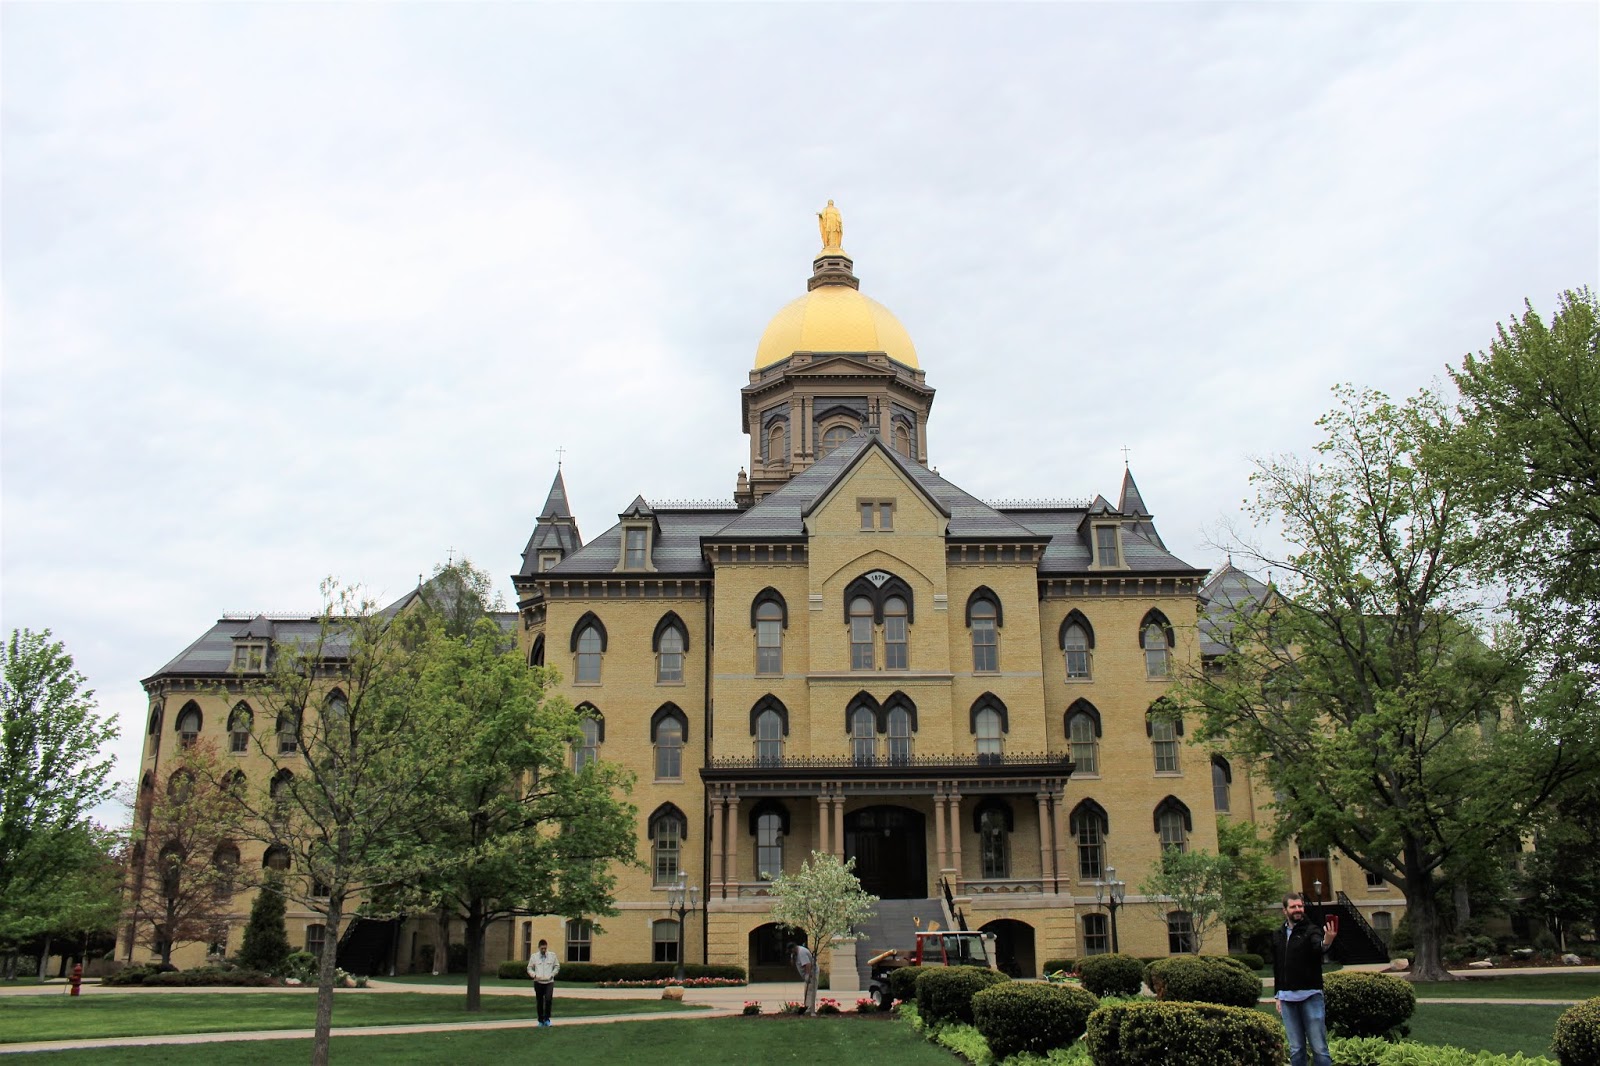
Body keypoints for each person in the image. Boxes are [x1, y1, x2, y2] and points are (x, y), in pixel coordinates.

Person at [1272, 891, 1337, 1066]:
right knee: (1296, 1049)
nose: (1298, 909)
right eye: (1293, 907)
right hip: (1287, 999)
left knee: (1319, 1048)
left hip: (1311, 996)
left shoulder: (1311, 930)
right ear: (1285, 910)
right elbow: (1278, 967)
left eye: (1300, 906)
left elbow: (1318, 948)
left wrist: (1327, 942)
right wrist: (1278, 995)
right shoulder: (1278, 934)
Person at [527, 938, 561, 1027]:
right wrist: (534, 975)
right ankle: (540, 1020)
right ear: (539, 947)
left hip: (549, 982)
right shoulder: (534, 956)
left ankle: (547, 1019)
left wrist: (552, 974)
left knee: (548, 1000)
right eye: (542, 948)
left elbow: (557, 966)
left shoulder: (552, 956)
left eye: (545, 948)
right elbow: (529, 968)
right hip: (538, 982)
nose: (543, 950)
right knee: (539, 1001)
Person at [790, 941, 816, 1014]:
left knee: (810, 991)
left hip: (811, 973)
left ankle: (810, 1009)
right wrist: (792, 957)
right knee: (807, 991)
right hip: (806, 974)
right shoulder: (795, 953)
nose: (791, 953)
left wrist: (807, 976)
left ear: (794, 948)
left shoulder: (802, 953)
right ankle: (807, 1007)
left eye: (791, 951)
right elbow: (792, 964)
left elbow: (808, 964)